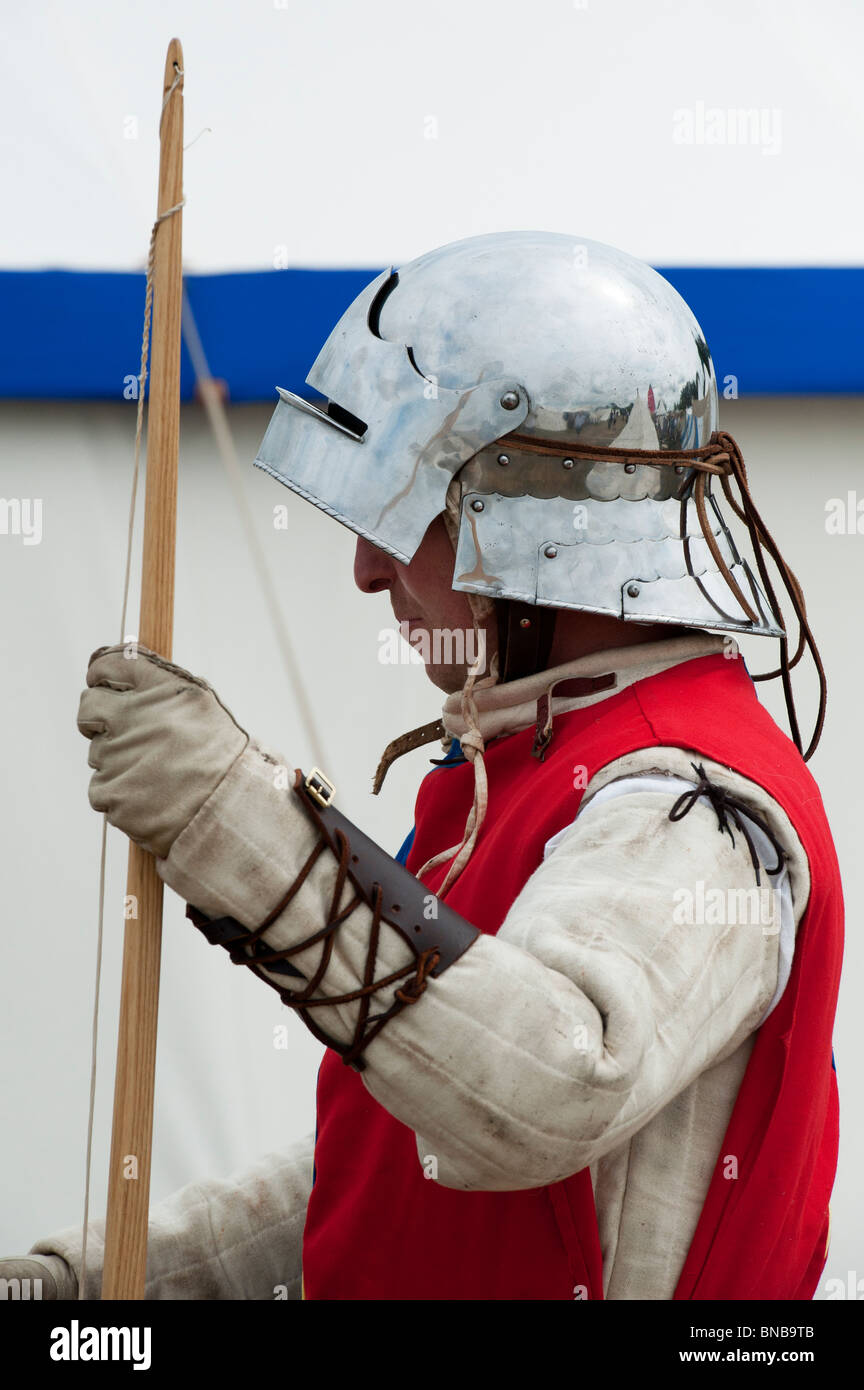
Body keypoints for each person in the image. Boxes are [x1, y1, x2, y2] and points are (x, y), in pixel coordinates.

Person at [2, 231, 842, 1301]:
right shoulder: (530, 766)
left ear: (532, 517)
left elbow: (546, 1083)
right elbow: (399, 1177)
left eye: (401, 512)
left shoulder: (686, 801)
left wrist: (231, 816)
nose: (364, 569)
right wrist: (98, 1283)